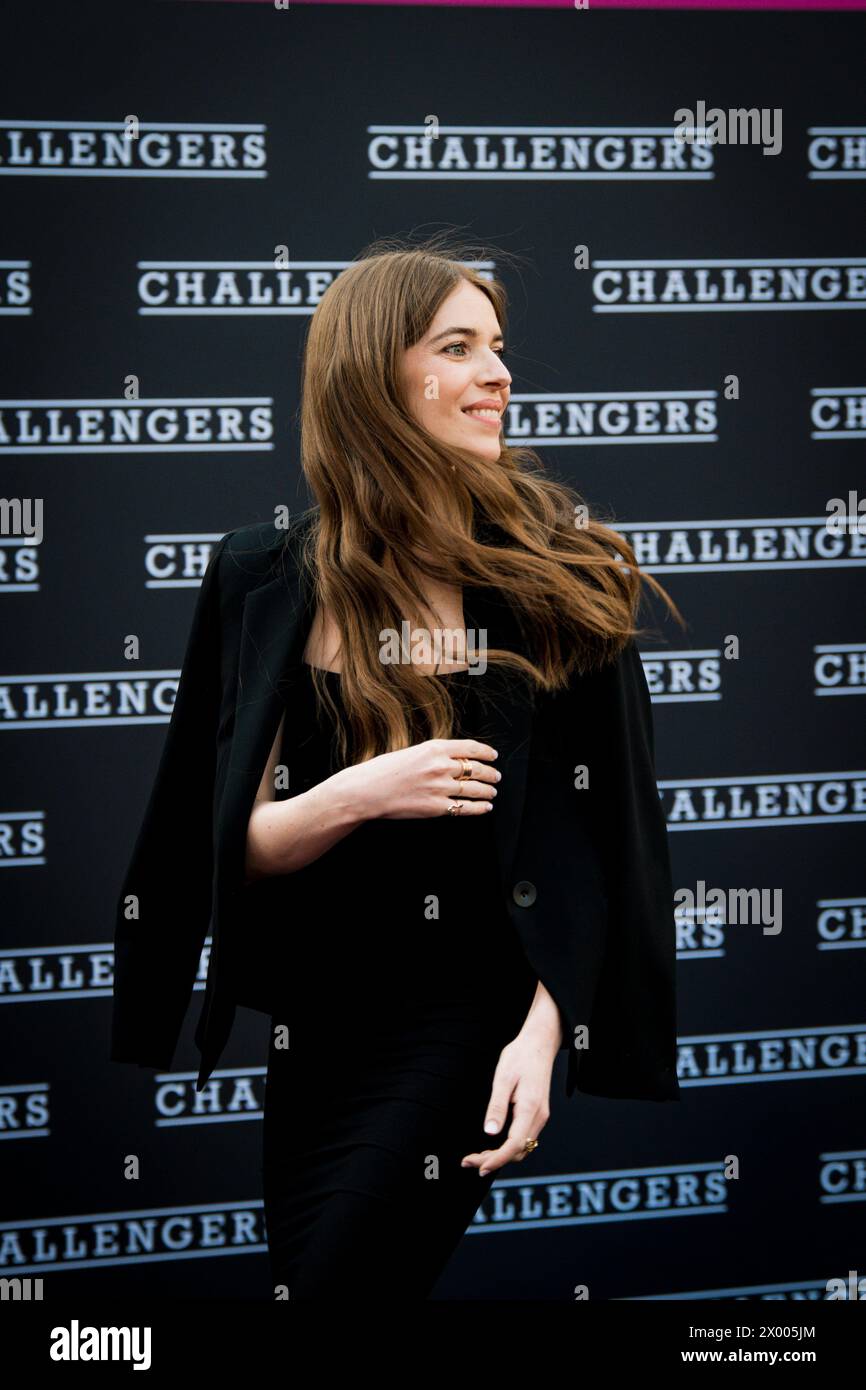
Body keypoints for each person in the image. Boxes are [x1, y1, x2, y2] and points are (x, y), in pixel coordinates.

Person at [111, 235, 684, 1300]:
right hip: (317, 1029)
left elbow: (605, 837)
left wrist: (545, 1031)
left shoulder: (555, 573)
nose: (498, 375)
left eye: (498, 347)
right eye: (457, 347)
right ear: (372, 377)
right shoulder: (261, 574)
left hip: (460, 1024)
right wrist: (359, 792)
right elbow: (221, 847)